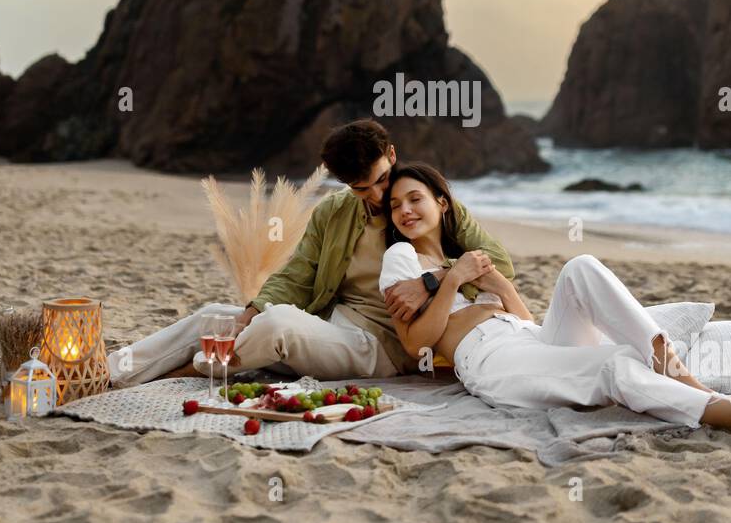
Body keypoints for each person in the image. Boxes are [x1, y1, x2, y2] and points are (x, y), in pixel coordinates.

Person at [378, 162, 731, 438]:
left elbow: (524, 319)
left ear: (442, 202)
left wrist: (499, 287)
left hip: (530, 338)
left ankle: (672, 366)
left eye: (414, 198)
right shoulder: (400, 257)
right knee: (616, 366)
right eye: (396, 206)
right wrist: (454, 281)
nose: (405, 211)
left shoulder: (463, 259)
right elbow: (417, 345)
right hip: (490, 362)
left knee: (580, 267)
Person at [106, 120, 514, 386]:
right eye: (361, 189)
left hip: (381, 345)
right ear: (344, 184)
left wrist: (432, 281)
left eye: (381, 181)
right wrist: (250, 311)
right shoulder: (333, 212)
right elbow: (299, 274)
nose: (378, 196)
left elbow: (498, 262)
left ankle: (195, 369)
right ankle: (107, 374)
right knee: (214, 316)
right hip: (327, 324)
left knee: (278, 324)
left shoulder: (423, 204)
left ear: (391, 155)